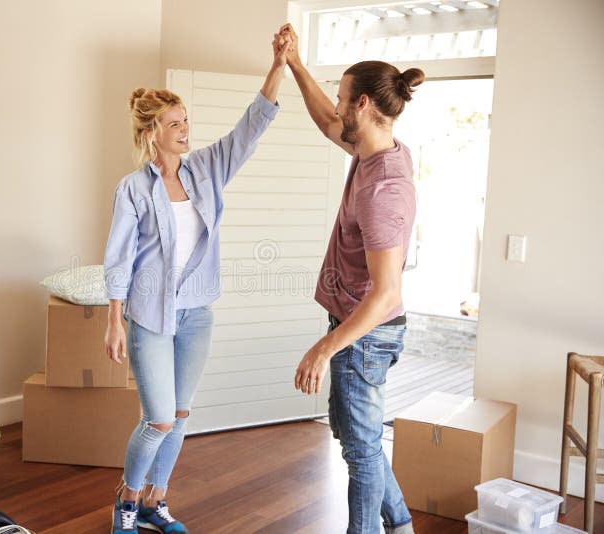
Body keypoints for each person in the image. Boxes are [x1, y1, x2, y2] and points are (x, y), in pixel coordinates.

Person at [102, 33, 292, 534]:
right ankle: (126, 498)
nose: (186, 130)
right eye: (175, 124)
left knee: (181, 415)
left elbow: (250, 128)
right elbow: (118, 259)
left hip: (197, 313)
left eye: (186, 121)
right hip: (149, 315)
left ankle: (155, 503)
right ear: (152, 134)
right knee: (157, 419)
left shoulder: (207, 169)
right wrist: (113, 322)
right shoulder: (133, 188)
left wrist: (278, 65)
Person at [275, 23, 423, 534]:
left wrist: (324, 348)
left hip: (367, 332)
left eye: (341, 98)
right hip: (354, 320)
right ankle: (400, 521)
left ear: (361, 104)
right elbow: (325, 122)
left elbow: (385, 295)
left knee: (360, 450)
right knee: (349, 428)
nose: (336, 107)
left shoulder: (383, 190)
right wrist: (294, 64)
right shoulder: (378, 146)